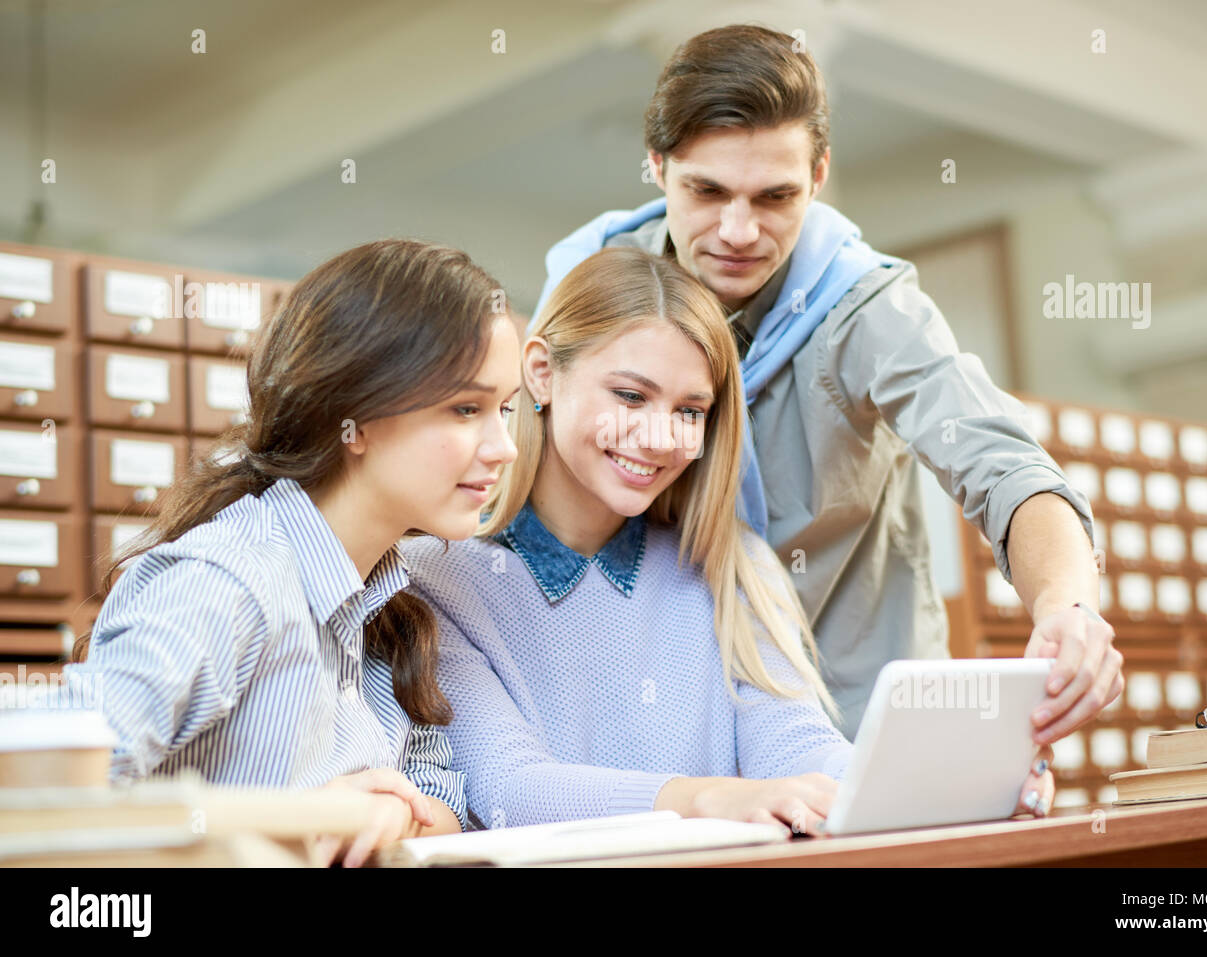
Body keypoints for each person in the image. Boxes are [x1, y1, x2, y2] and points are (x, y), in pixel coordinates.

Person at [531, 24, 1123, 742]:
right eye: (707, 191)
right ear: (657, 167)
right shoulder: (593, 289)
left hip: (851, 706)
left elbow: (1008, 470)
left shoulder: (869, 310)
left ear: (818, 175)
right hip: (659, 711)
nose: (740, 230)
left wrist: (1069, 605)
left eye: (775, 196)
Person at [404, 246, 1054, 832]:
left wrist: (944, 789)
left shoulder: (730, 561)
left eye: (689, 410)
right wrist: (709, 796)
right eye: (631, 395)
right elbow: (511, 789)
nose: (660, 437)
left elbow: (796, 744)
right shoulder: (439, 577)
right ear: (541, 374)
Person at [59, 239, 521, 866]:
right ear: (355, 413)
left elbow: (443, 804)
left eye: (507, 410)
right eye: (467, 408)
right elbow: (53, 799)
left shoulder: (385, 599)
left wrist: (390, 813)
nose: (505, 447)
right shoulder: (225, 583)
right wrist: (304, 818)